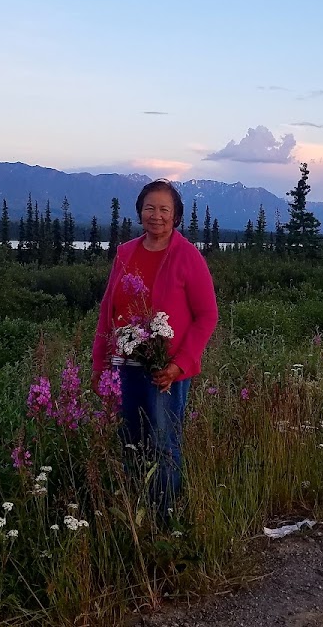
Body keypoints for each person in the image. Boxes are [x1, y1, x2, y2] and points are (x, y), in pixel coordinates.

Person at [91, 179, 218, 515]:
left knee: (163, 445)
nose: (156, 215)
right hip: (123, 367)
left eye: (164, 209)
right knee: (129, 442)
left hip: (164, 371)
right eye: (150, 207)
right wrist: (99, 366)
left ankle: (163, 518)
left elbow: (207, 315)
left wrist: (180, 364)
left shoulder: (188, 257)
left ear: (175, 216)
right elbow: (108, 312)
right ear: (140, 212)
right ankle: (133, 511)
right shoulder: (125, 254)